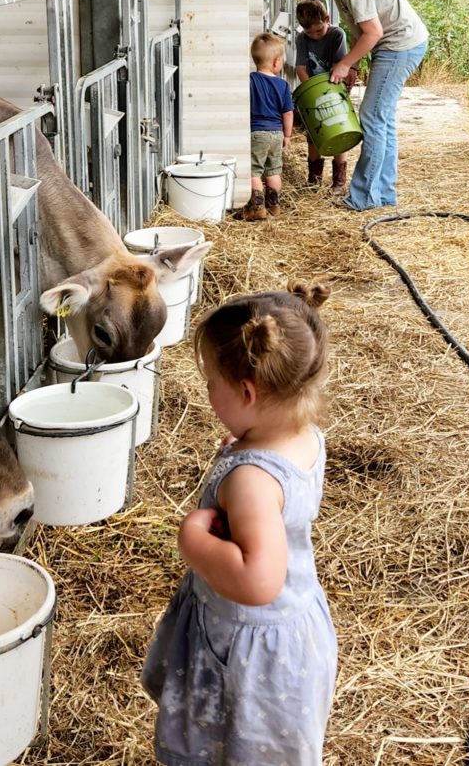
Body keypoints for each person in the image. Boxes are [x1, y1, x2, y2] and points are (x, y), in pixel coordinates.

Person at [141, 285, 338, 766]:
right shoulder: (302, 435)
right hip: (293, 625)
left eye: (211, 382)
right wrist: (248, 437)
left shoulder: (251, 479)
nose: (208, 391)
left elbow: (257, 579)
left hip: (245, 648)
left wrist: (193, 540)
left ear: (248, 392)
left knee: (235, 749)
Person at [285, 0, 428, 211]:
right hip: (394, 45)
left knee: (372, 117)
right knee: (382, 119)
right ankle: (383, 193)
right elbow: (359, 30)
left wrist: (344, 64)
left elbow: (373, 32)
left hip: (399, 45)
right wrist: (355, 64)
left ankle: (362, 197)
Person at [295, 0, 357, 195]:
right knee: (314, 135)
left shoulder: (336, 35)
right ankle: (314, 180)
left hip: (334, 88)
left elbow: (339, 66)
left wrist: (329, 88)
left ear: (327, 19)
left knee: (338, 131)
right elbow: (301, 68)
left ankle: (338, 182)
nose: (314, 36)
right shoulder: (301, 39)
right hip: (315, 94)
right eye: (308, 31)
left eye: (318, 30)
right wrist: (311, 90)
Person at [234, 31, 293, 220]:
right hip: (276, 133)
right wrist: (287, 135)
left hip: (257, 133)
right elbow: (288, 112)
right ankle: (274, 206)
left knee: (254, 170)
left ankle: (257, 207)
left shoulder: (250, 80)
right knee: (274, 170)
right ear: (276, 62)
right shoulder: (283, 85)